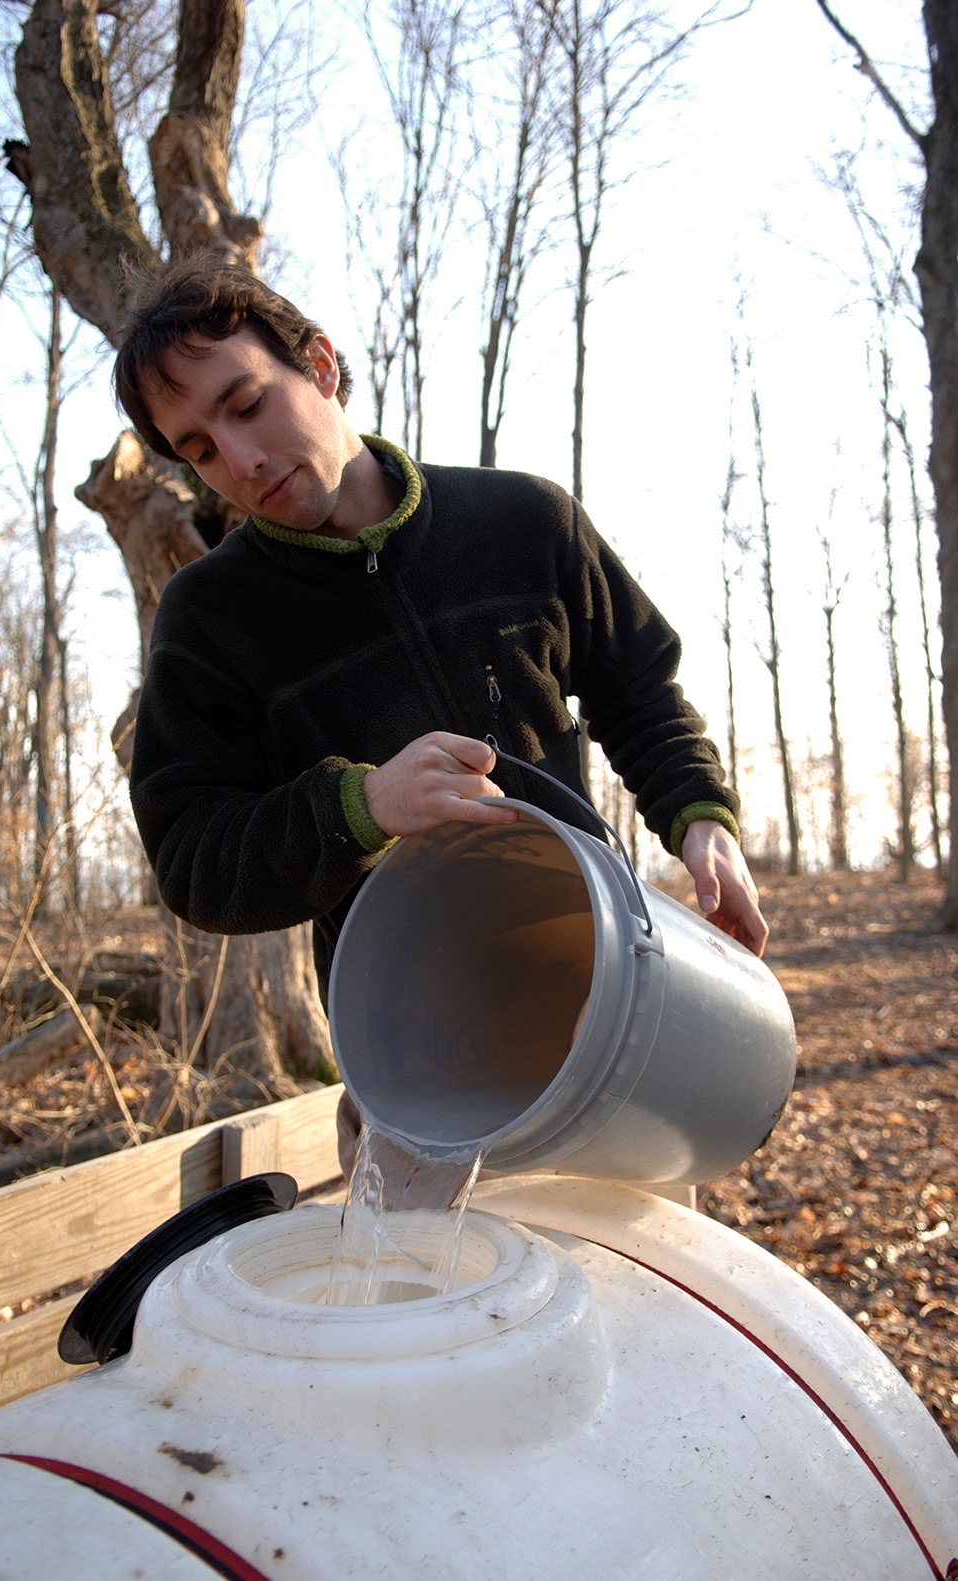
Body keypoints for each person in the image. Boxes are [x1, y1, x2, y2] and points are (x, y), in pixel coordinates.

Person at [115, 255, 768, 1190]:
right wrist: (361, 807)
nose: (241, 461)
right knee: (434, 1288)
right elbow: (192, 861)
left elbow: (639, 689)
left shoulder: (523, 521)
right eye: (201, 450)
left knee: (646, 1274)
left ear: (321, 365)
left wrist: (700, 814)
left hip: (618, 1017)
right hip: (416, 1080)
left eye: (248, 403)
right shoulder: (209, 620)